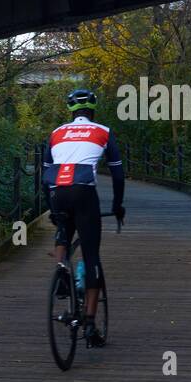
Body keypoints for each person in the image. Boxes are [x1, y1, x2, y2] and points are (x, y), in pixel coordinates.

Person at [42, 88, 125, 348]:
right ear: (93, 109)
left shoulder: (56, 133)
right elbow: (118, 174)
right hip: (83, 191)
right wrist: (117, 205)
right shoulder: (104, 131)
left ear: (70, 111)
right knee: (91, 256)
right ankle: (89, 323)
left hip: (57, 190)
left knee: (63, 229)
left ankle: (61, 275)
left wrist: (52, 209)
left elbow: (43, 175)